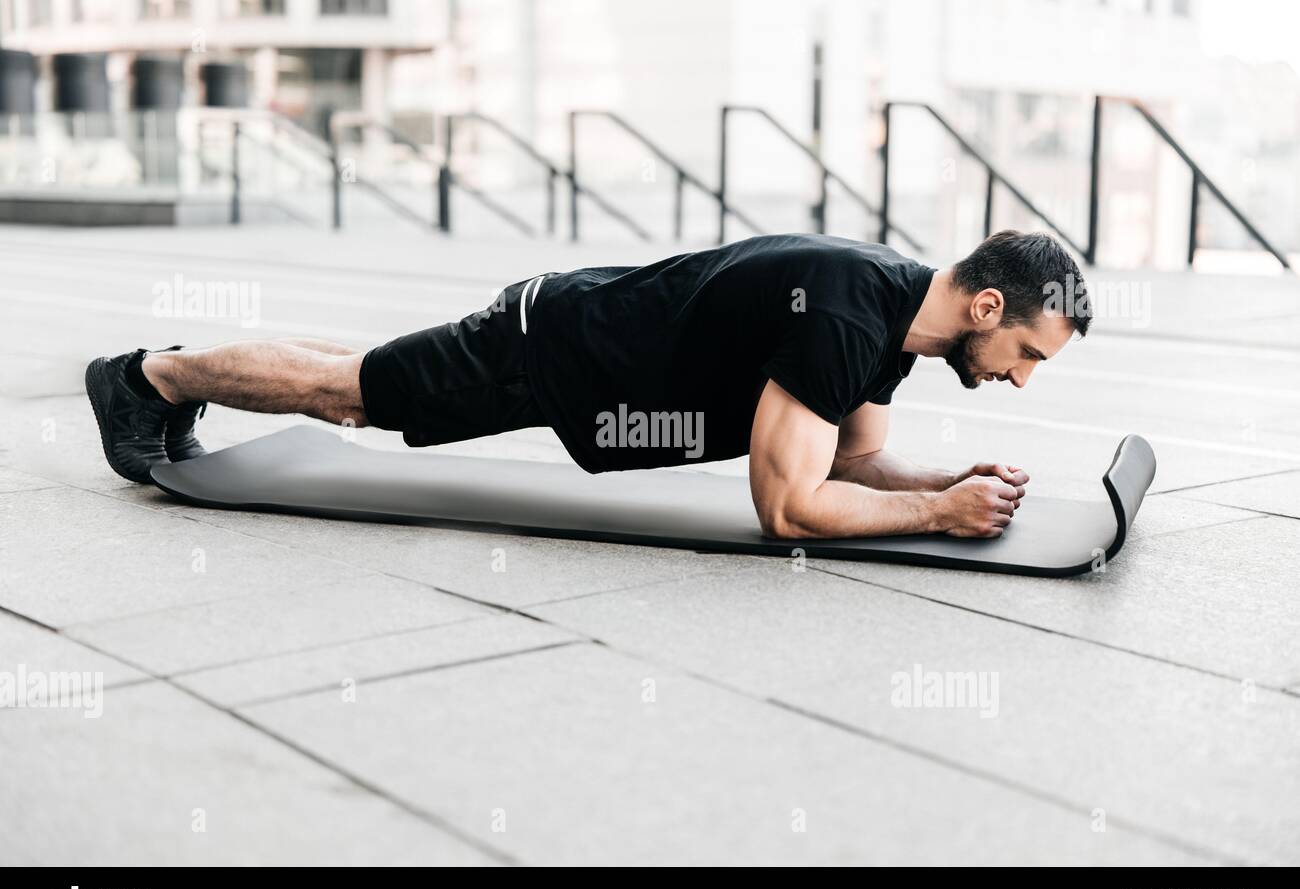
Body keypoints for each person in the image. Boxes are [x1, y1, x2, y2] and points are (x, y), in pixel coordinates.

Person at [86, 229, 1091, 540]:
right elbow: (786, 506)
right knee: (355, 393)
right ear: (989, 308)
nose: (1022, 379)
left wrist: (941, 481)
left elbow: (858, 457)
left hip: (583, 347)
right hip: (558, 347)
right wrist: (934, 516)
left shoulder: (888, 316)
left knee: (360, 377)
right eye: (1030, 354)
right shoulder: (844, 316)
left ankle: (174, 378)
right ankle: (148, 377)